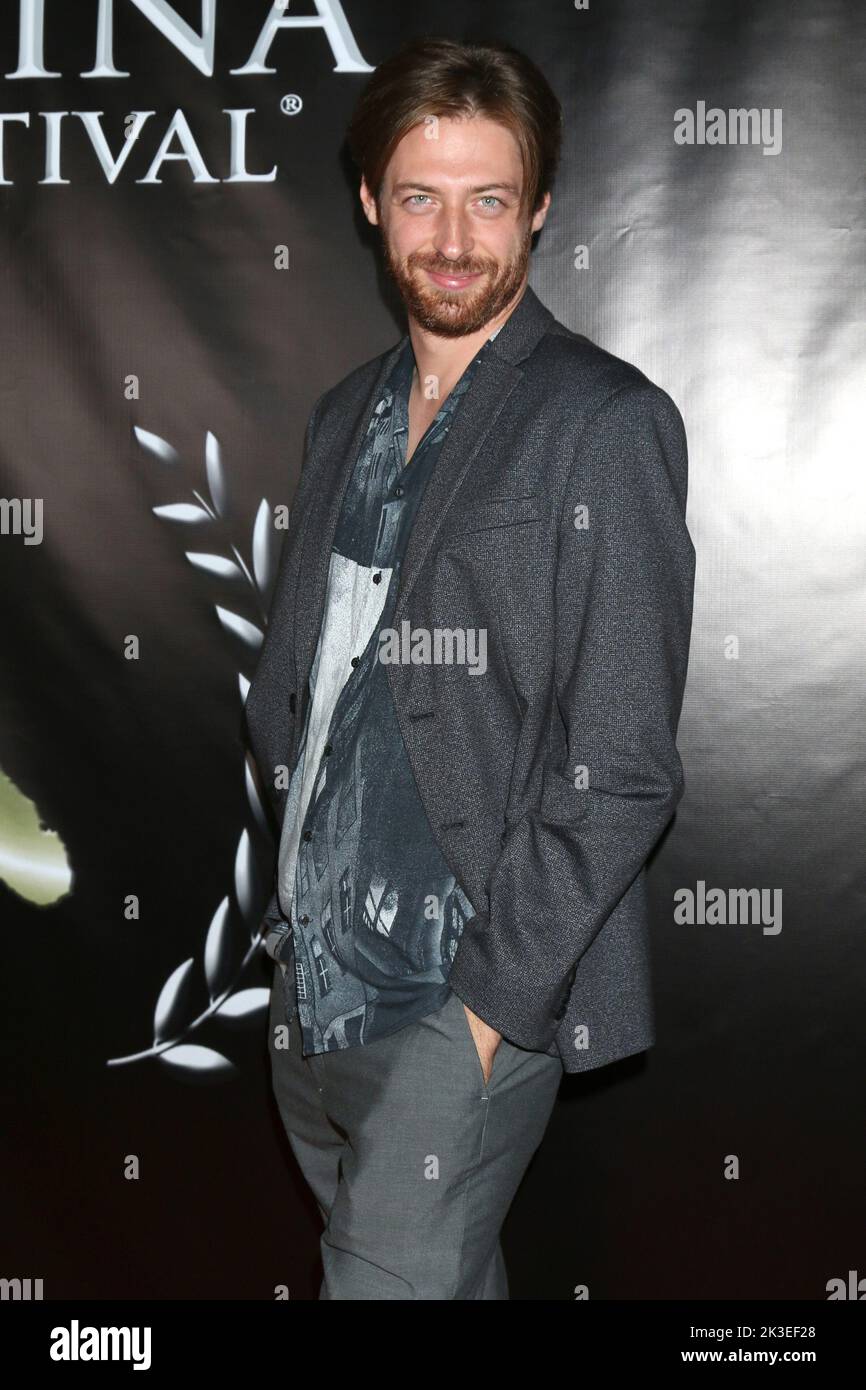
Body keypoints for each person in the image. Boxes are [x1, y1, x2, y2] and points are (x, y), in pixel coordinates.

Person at [244, 35, 696, 1300]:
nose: (451, 240)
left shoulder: (601, 422)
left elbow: (622, 769)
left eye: (487, 199)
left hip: (455, 1008)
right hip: (307, 990)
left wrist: (488, 1015)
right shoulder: (343, 414)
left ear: (538, 207)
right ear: (368, 202)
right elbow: (307, 689)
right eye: (420, 197)